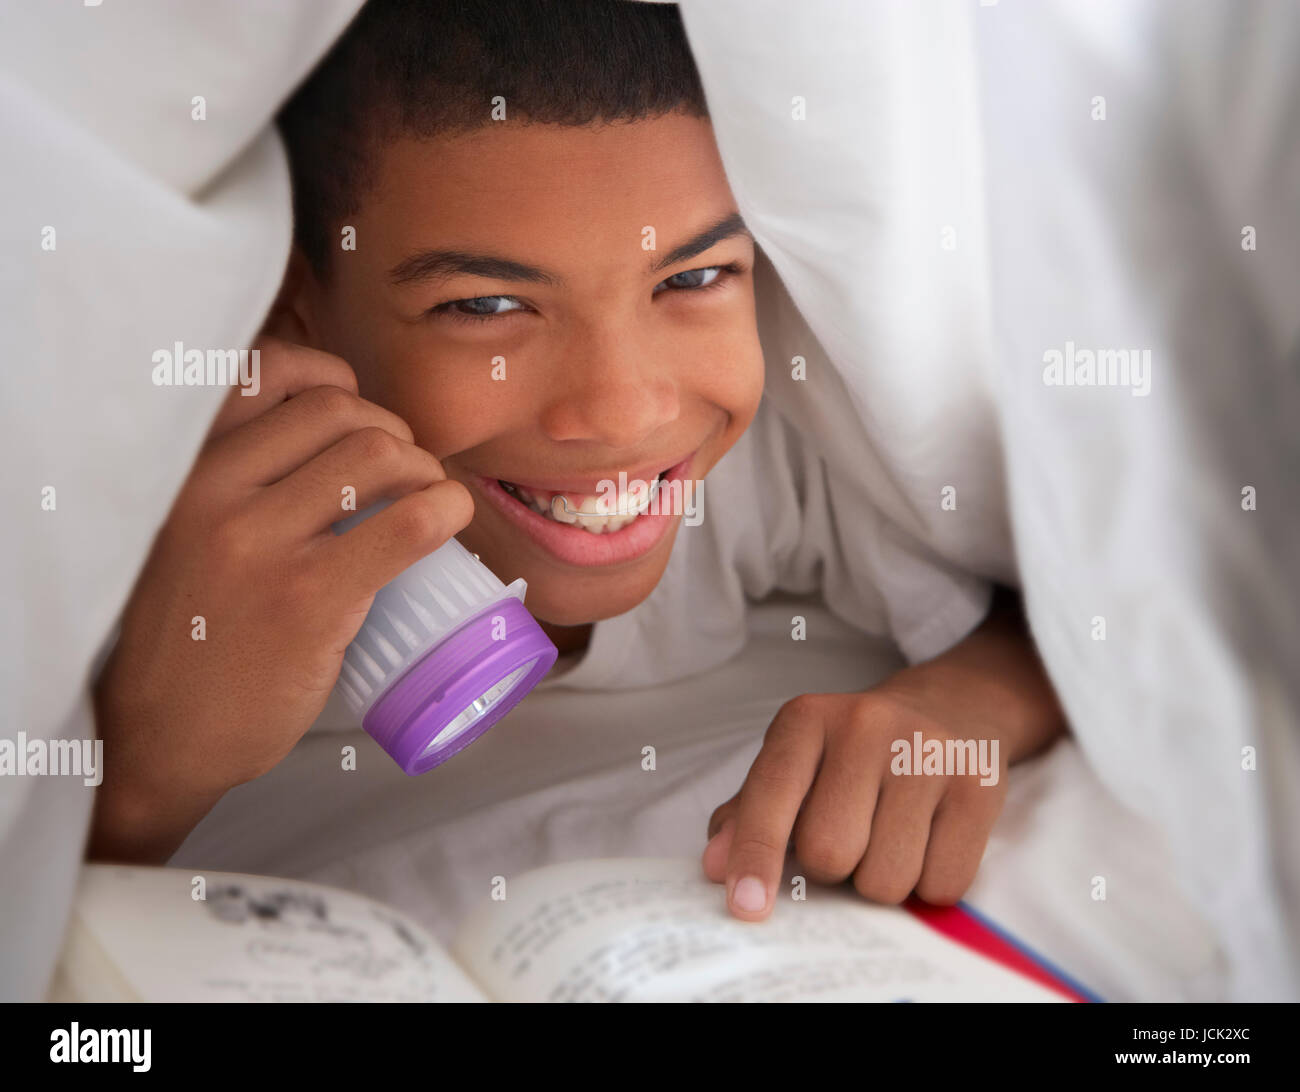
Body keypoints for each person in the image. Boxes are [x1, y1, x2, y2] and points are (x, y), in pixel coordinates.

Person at [89, 0, 1065, 922]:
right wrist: (144, 781)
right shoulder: (174, 563)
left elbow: (1092, 603)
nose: (622, 409)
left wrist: (953, 703)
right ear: (289, 305)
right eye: (484, 306)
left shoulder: (782, 449)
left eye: (693, 277)